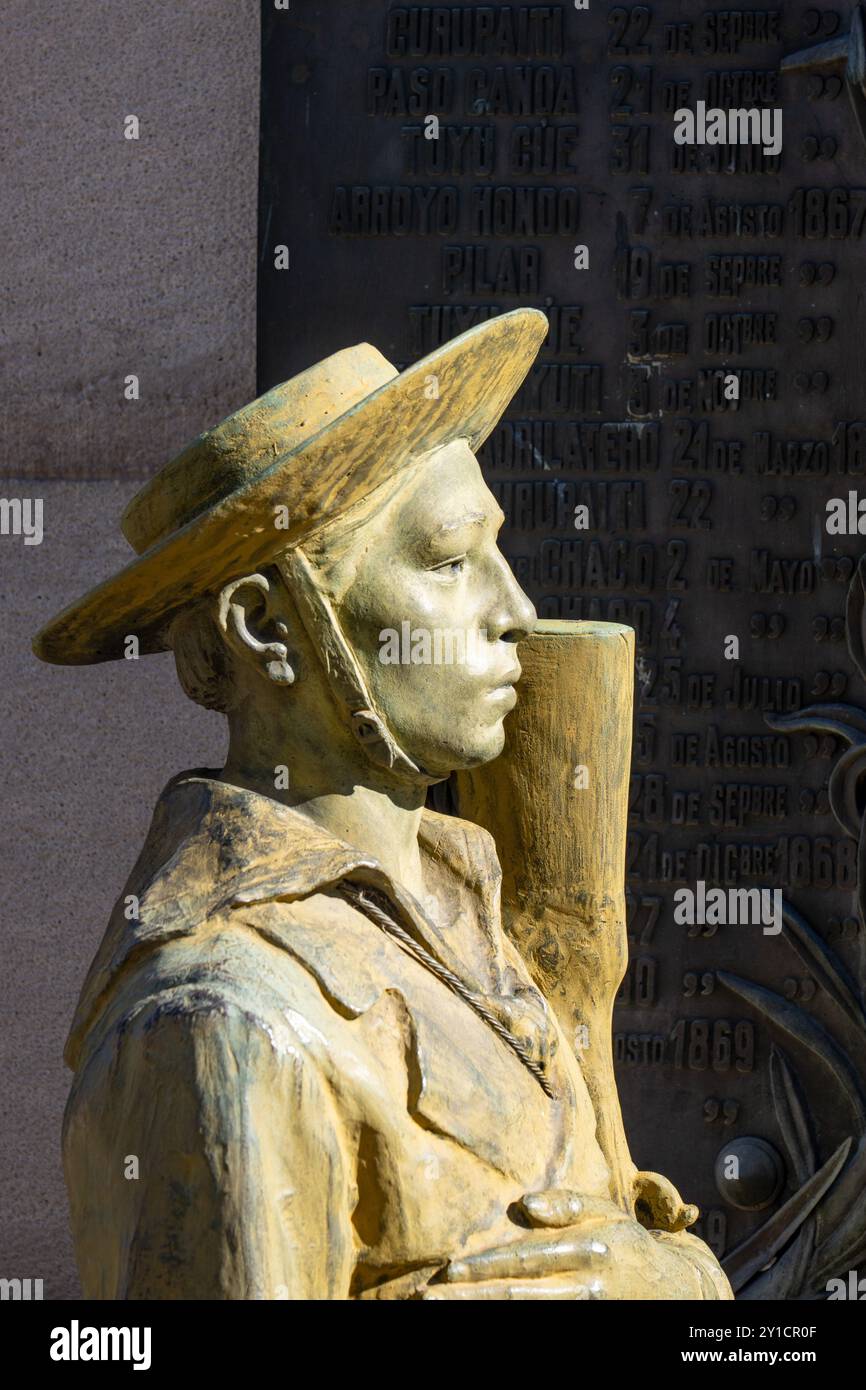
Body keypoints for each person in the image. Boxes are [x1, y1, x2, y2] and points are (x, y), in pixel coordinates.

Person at [34, 309, 731, 1299]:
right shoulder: (217, 1022)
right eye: (449, 564)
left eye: (495, 553)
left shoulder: (474, 916)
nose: (514, 613)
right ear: (269, 627)